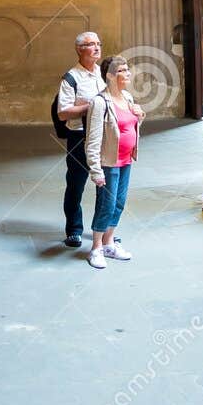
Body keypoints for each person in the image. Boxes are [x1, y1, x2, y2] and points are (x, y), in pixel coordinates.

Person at [84, 55, 143, 269]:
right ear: (110, 76)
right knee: (106, 205)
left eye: (128, 70)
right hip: (109, 162)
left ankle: (109, 243)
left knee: (119, 203)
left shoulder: (127, 96)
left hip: (126, 160)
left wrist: (139, 114)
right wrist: (95, 170)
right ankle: (96, 248)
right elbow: (92, 140)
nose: (128, 74)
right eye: (122, 70)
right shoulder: (99, 102)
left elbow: (130, 124)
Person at [55, 31, 105, 248]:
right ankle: (74, 230)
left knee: (105, 184)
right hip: (79, 135)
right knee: (76, 184)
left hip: (103, 134)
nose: (96, 47)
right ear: (79, 49)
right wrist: (91, 106)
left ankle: (101, 231)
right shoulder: (71, 77)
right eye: (91, 44)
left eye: (98, 44)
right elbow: (63, 112)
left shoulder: (104, 74)